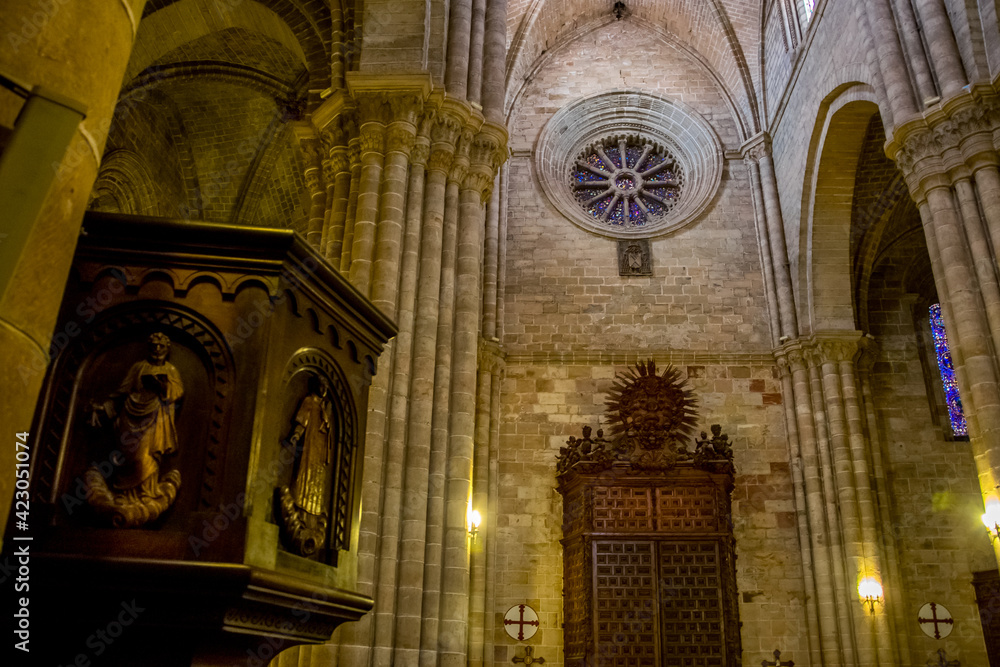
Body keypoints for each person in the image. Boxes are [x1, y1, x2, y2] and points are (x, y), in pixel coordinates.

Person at [87, 332, 184, 526]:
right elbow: (122, 391)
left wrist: (162, 385)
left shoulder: (170, 370)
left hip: (154, 417)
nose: (157, 350)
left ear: (167, 349)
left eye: (161, 346)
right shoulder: (138, 367)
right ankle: (123, 494)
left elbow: (177, 392)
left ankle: (146, 493)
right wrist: (104, 408)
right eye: (154, 346)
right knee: (126, 455)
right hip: (130, 414)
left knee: (144, 456)